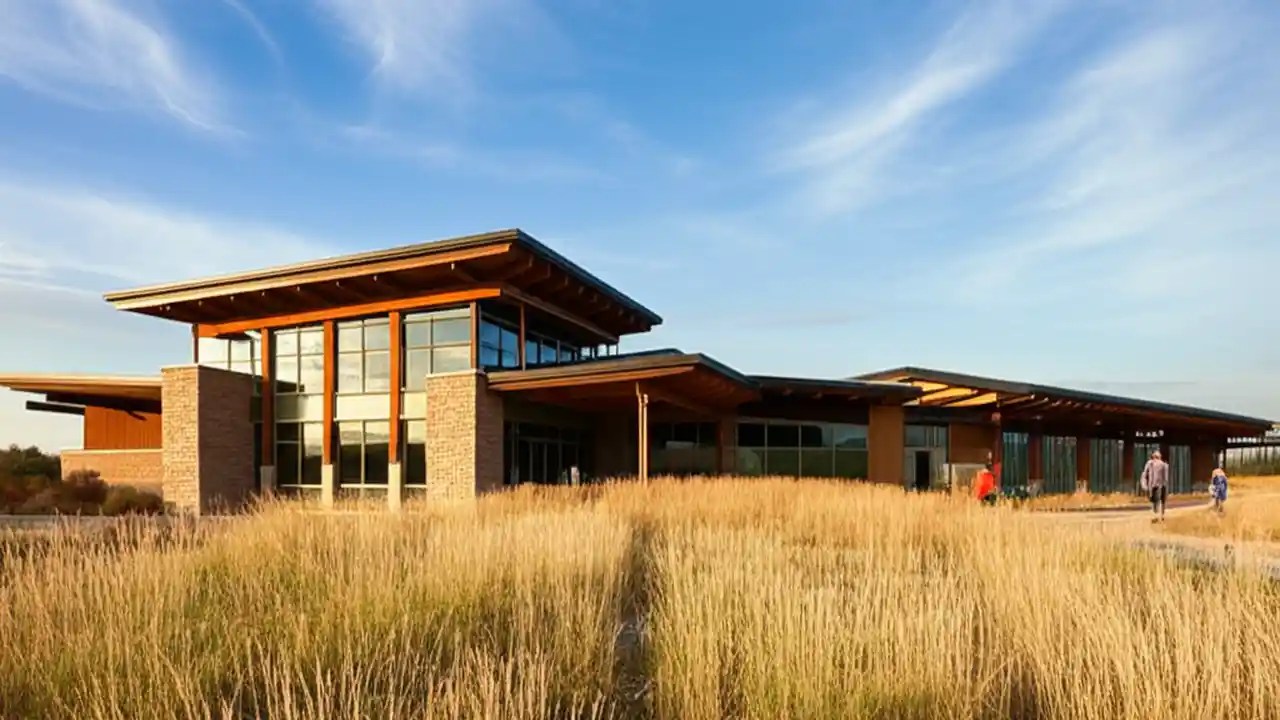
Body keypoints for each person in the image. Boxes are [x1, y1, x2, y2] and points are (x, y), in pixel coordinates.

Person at [1140, 450, 1170, 522]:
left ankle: (1160, 515)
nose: (1155, 459)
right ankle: (1159, 515)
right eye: (1154, 457)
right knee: (1157, 501)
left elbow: (1165, 476)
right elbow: (1144, 474)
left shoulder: (1163, 465)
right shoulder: (1150, 464)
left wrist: (1144, 485)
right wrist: (1144, 485)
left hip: (1158, 485)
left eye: (1157, 457)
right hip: (1156, 485)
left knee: (1158, 501)